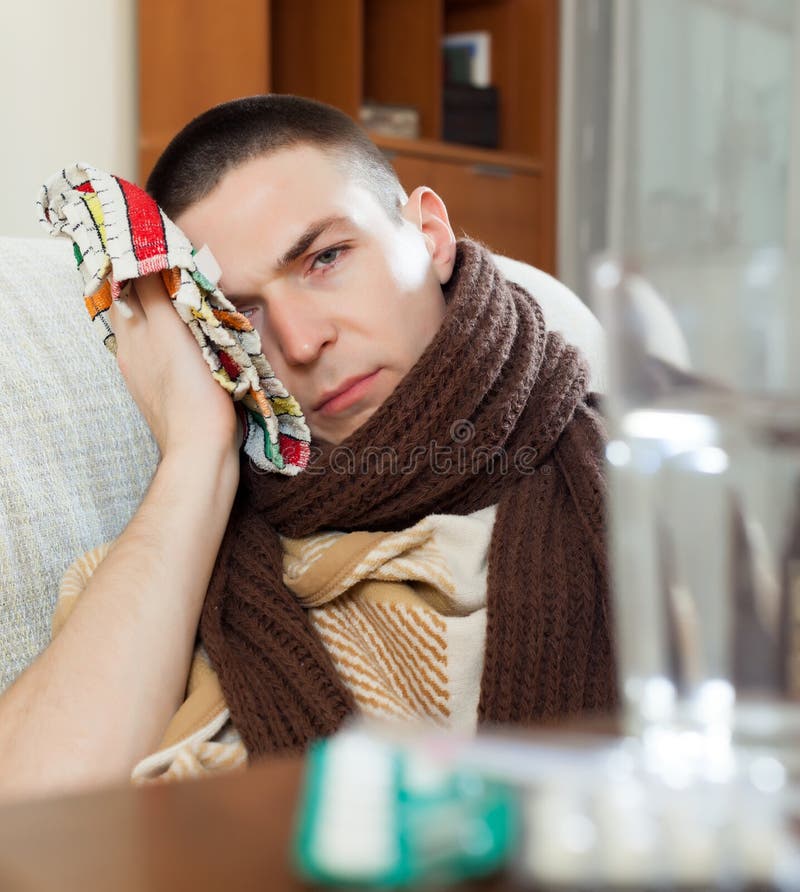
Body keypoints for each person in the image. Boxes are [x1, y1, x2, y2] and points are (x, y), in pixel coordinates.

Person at [0, 95, 615, 799]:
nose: (298, 342)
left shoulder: (637, 483)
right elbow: (23, 826)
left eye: (326, 258)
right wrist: (198, 453)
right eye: (241, 314)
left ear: (430, 234)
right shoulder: (161, 577)